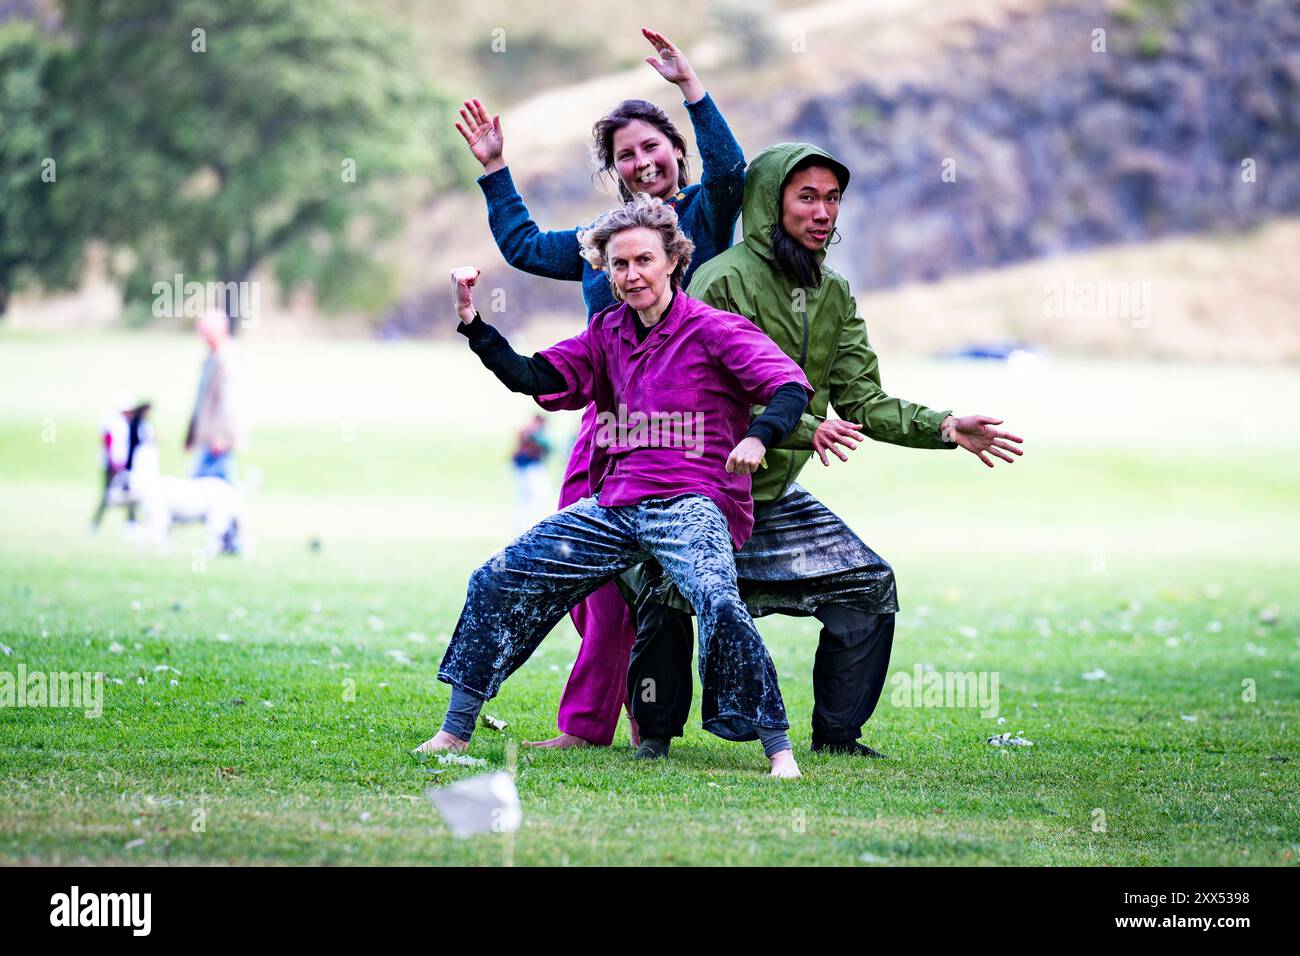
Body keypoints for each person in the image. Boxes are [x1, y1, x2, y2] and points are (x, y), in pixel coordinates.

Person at [625, 143, 1026, 760]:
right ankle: (654, 736)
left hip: (772, 496)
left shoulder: (833, 292)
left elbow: (863, 400)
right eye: (806, 196)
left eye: (832, 198)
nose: (822, 213)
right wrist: (807, 428)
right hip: (697, 489)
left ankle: (838, 737)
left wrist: (945, 426)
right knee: (671, 591)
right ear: (769, 202)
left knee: (866, 584)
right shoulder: (720, 279)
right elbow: (702, 399)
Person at [416, 196, 813, 777]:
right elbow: (534, 376)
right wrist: (474, 324)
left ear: (673, 260)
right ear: (607, 271)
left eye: (645, 261)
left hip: (692, 505)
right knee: (498, 576)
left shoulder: (715, 329)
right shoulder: (606, 332)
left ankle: (777, 748)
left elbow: (788, 385)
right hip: (616, 506)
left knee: (719, 601)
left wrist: (756, 438)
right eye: (620, 265)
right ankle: (454, 732)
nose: (633, 275)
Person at [456, 28, 748, 749]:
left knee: (635, 585)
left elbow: (735, 171)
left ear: (675, 151)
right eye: (627, 155)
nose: (643, 162)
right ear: (613, 170)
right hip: (603, 428)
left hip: (681, 435)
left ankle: (592, 725)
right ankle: (605, 711)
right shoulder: (600, 242)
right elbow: (523, 247)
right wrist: (496, 169)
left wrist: (691, 87)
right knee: (581, 578)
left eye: (653, 147)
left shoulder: (699, 220)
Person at [185, 307, 244, 483]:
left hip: (218, 439)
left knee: (201, 484)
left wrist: (223, 436)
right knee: (216, 486)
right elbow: (200, 400)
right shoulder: (211, 359)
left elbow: (229, 401)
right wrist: (190, 434)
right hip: (207, 437)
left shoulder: (226, 360)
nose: (203, 337)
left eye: (206, 332)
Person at [511, 413, 553, 532]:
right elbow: (547, 446)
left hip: (528, 467)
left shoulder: (532, 432)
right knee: (530, 497)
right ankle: (523, 524)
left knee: (529, 498)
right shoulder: (530, 432)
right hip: (528, 468)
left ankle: (526, 523)